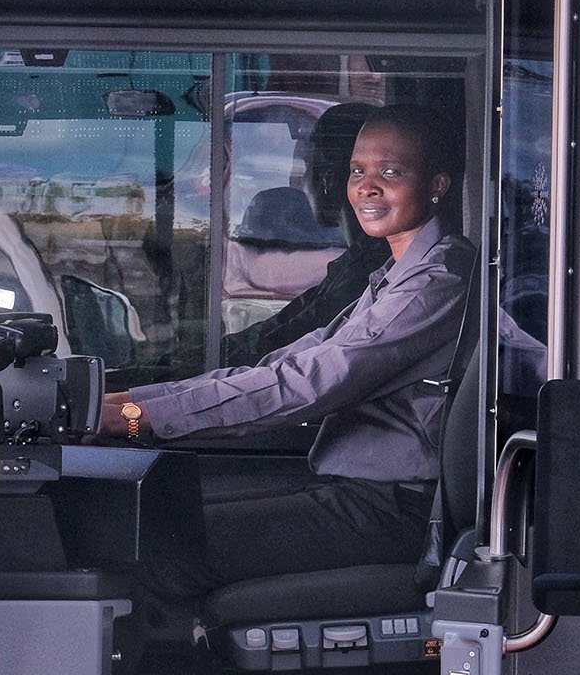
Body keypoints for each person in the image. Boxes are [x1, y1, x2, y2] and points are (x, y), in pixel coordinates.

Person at [101, 104, 473, 605]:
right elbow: (278, 365)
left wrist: (134, 417)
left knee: (160, 546)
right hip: (363, 489)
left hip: (396, 507)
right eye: (358, 171)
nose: (366, 186)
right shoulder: (394, 274)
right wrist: (124, 400)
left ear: (436, 186)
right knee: (155, 518)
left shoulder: (435, 285)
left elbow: (308, 384)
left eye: (391, 172)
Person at [220, 101, 389, 366]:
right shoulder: (355, 265)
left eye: (304, 166)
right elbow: (284, 324)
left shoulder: (366, 273)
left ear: (326, 180)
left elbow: (285, 342)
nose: (295, 183)